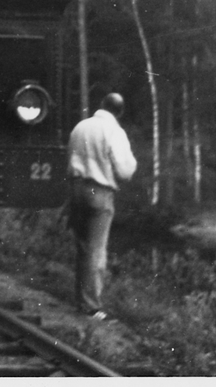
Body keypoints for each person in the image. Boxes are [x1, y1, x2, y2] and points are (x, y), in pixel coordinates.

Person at [66, 92, 137, 320]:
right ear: (120, 111)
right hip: (99, 190)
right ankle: (92, 307)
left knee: (82, 248)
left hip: (76, 188)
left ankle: (81, 300)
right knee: (97, 249)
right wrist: (132, 164)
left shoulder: (80, 127)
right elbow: (124, 171)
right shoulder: (114, 132)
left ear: (101, 105)